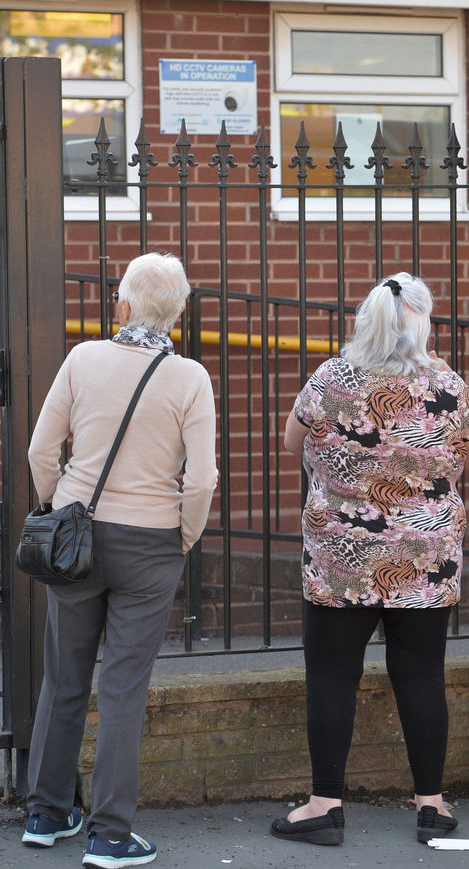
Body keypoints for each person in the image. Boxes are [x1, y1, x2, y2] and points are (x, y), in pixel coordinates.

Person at [270, 271, 469, 847]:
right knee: (421, 674)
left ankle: (324, 805)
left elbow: (291, 442)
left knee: (330, 675)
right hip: (425, 559)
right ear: (422, 323)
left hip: (340, 557)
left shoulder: (329, 379)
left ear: (365, 321)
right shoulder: (445, 385)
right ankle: (432, 806)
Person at [22, 252, 218, 867]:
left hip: (76, 537)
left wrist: (59, 505)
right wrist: (183, 538)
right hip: (151, 544)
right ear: (179, 314)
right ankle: (110, 835)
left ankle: (47, 813)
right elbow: (202, 480)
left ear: (123, 304)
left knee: (64, 677)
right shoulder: (190, 379)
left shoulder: (83, 360)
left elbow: (40, 449)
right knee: (124, 686)